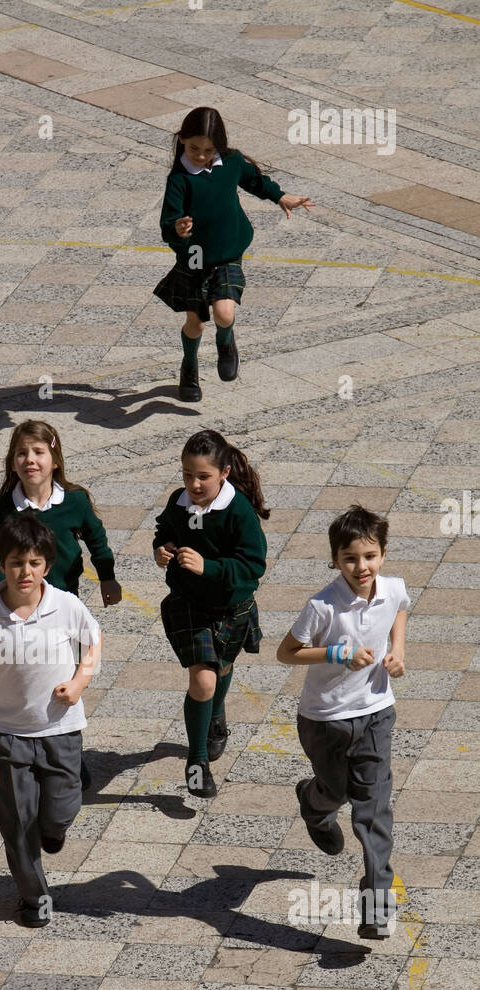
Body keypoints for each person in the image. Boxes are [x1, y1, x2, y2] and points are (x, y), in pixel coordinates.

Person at [0, 512, 101, 927]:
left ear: (47, 567)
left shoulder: (67, 606)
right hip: (6, 737)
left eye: (34, 563)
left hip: (61, 730)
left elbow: (92, 642)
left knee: (58, 812)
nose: (25, 572)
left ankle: (54, 827)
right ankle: (34, 900)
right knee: (18, 826)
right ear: (2, 565)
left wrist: (79, 681)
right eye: (17, 562)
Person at [276, 504, 409, 939]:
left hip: (375, 715)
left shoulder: (393, 589)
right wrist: (338, 654)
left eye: (369, 556)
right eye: (350, 558)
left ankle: (375, 909)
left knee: (373, 812)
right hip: (324, 720)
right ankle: (314, 805)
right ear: (335, 560)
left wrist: (398, 652)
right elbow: (286, 653)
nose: (361, 566)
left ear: (383, 555)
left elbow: (401, 609)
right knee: (333, 792)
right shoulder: (323, 606)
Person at [0, 418, 119, 790]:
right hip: (21, 614)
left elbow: (96, 537)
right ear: (12, 462)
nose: (30, 460)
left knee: (69, 681)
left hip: (65, 611)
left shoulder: (73, 500)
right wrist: (7, 588)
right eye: (22, 453)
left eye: (39, 452)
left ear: (54, 458)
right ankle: (30, 750)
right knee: (33, 680)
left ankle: (70, 755)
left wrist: (107, 576)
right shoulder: (4, 509)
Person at [154, 105, 314, 401]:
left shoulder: (232, 162)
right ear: (181, 140)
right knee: (196, 322)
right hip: (195, 256)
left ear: (220, 147)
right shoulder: (179, 179)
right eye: (194, 148)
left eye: (208, 150)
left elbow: (256, 181)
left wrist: (280, 196)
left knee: (224, 314)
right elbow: (167, 222)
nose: (201, 156)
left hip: (228, 250)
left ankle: (226, 342)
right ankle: (189, 368)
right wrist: (178, 229)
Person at [154, 429, 268, 799]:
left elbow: (253, 565)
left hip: (233, 608)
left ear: (225, 473)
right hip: (189, 605)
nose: (194, 483)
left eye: (203, 476)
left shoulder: (239, 513)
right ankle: (197, 761)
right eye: (188, 475)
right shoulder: (179, 502)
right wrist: (163, 548)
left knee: (222, 668)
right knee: (202, 679)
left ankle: (216, 716)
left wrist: (210, 567)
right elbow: (164, 528)